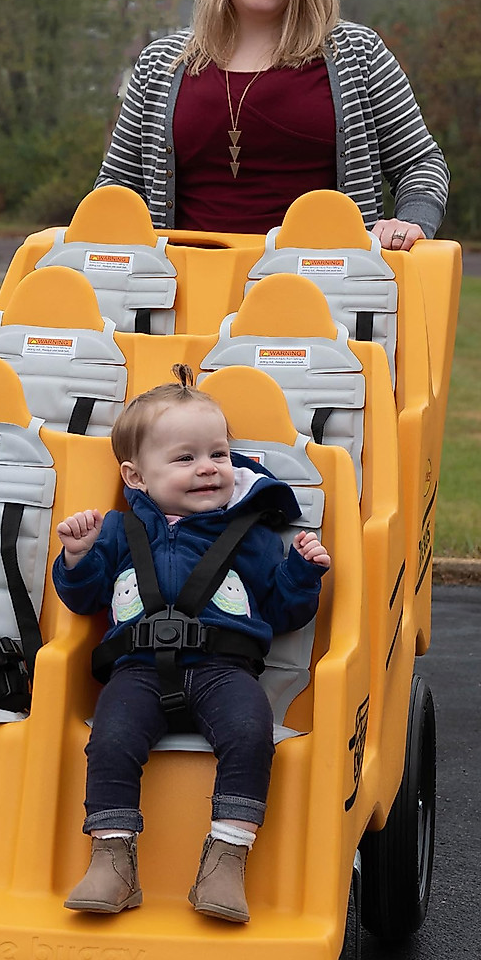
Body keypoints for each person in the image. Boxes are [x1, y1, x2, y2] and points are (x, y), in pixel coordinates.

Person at [51, 367, 329, 922]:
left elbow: (283, 613)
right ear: (136, 477)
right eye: (185, 459)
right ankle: (112, 860)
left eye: (219, 455)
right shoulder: (118, 531)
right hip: (136, 670)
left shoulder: (250, 536)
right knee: (110, 740)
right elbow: (84, 600)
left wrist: (301, 573)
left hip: (225, 670)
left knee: (250, 733)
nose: (208, 468)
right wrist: (77, 558)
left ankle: (226, 860)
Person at [95, 0, 449, 252]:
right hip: (185, 285)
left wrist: (411, 222)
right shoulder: (160, 63)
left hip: (322, 284)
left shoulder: (359, 55)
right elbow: (117, 185)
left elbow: (420, 163)